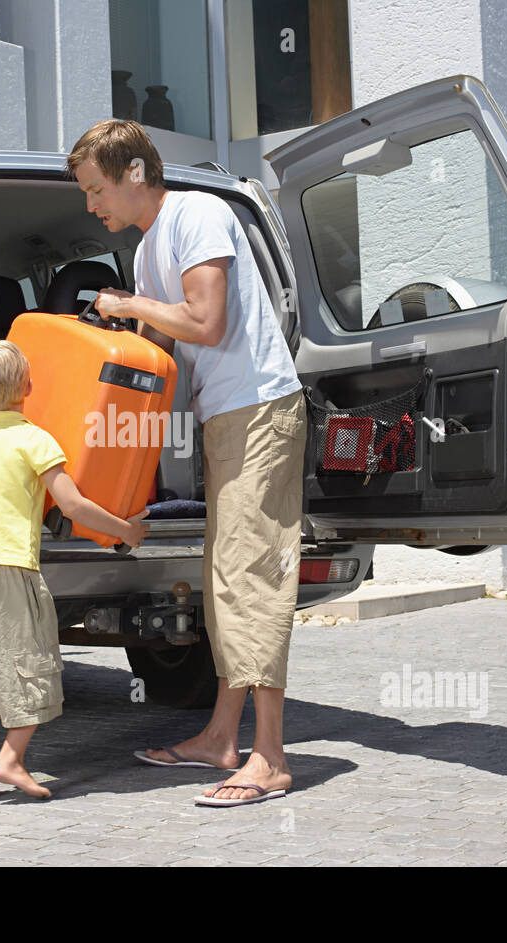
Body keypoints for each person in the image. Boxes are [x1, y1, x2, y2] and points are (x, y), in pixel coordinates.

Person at [67, 120, 306, 807]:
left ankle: (271, 757)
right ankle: (220, 738)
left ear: (135, 173)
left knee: (250, 573)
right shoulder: (146, 255)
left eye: (96, 189)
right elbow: (154, 361)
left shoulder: (199, 213)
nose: (91, 206)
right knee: (222, 575)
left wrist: (132, 305)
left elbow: (208, 324)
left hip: (261, 408)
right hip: (222, 418)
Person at [0, 339, 149, 801]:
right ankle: (10, 758)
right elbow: (73, 506)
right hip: (10, 570)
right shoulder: (33, 439)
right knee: (29, 663)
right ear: (29, 386)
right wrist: (124, 531)